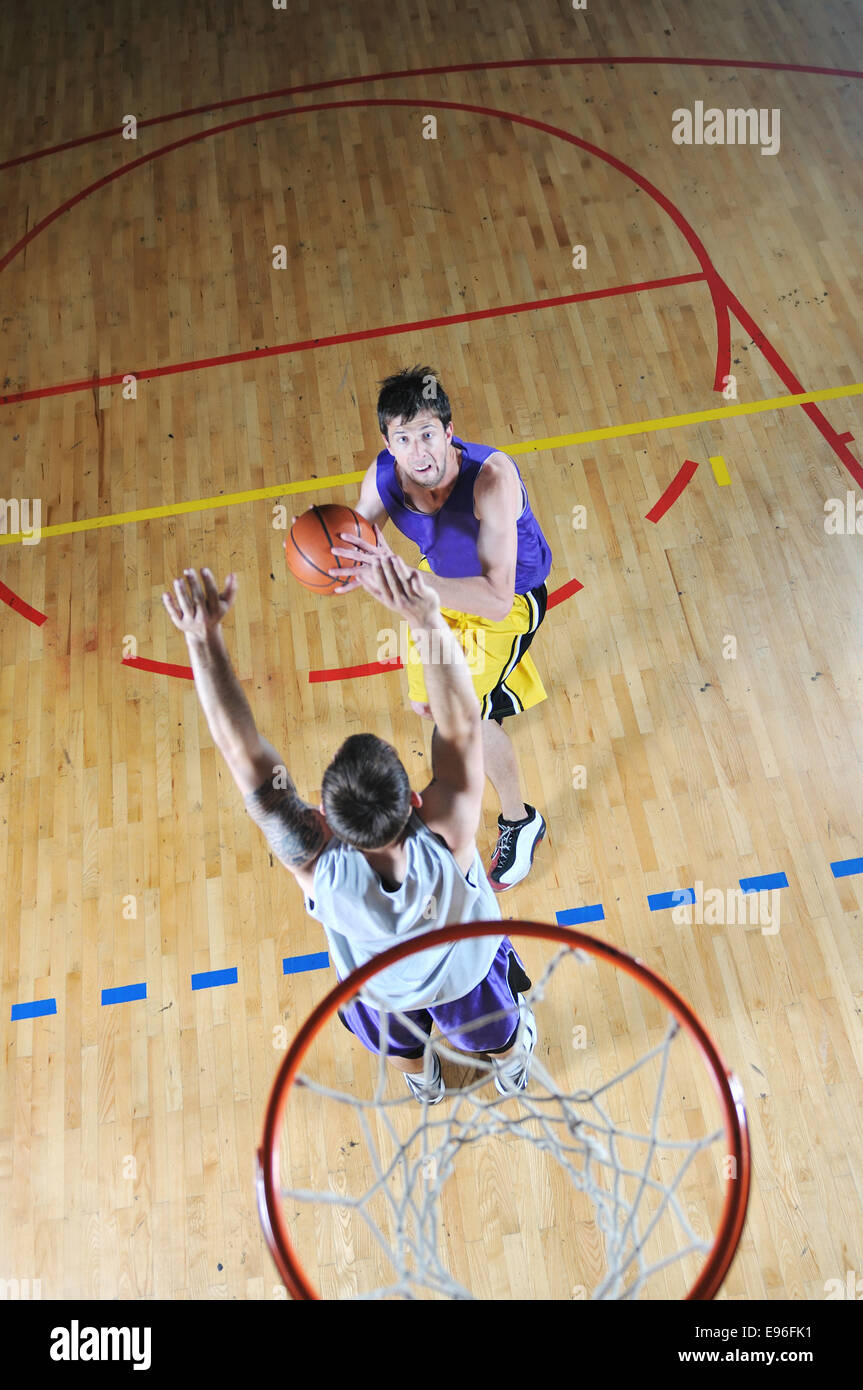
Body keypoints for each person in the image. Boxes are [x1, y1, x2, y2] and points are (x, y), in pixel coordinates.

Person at [162, 559, 537, 1104]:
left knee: (397, 1040)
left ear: (324, 818)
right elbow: (459, 722)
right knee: (495, 1033)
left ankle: (423, 1079)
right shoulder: (448, 831)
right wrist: (424, 614)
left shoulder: (316, 867)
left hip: (379, 989)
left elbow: (241, 751)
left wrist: (203, 640)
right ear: (413, 799)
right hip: (465, 973)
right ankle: (509, 1065)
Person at [330, 365, 552, 890]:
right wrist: (335, 560)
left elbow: (498, 600)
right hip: (433, 589)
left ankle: (521, 821)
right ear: (388, 442)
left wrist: (406, 583)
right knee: (430, 707)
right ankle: (495, 696)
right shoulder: (386, 475)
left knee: (462, 722)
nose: (419, 451)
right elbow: (356, 536)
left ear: (450, 432)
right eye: (403, 439)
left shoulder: (492, 480)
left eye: (427, 434)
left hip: (506, 599)